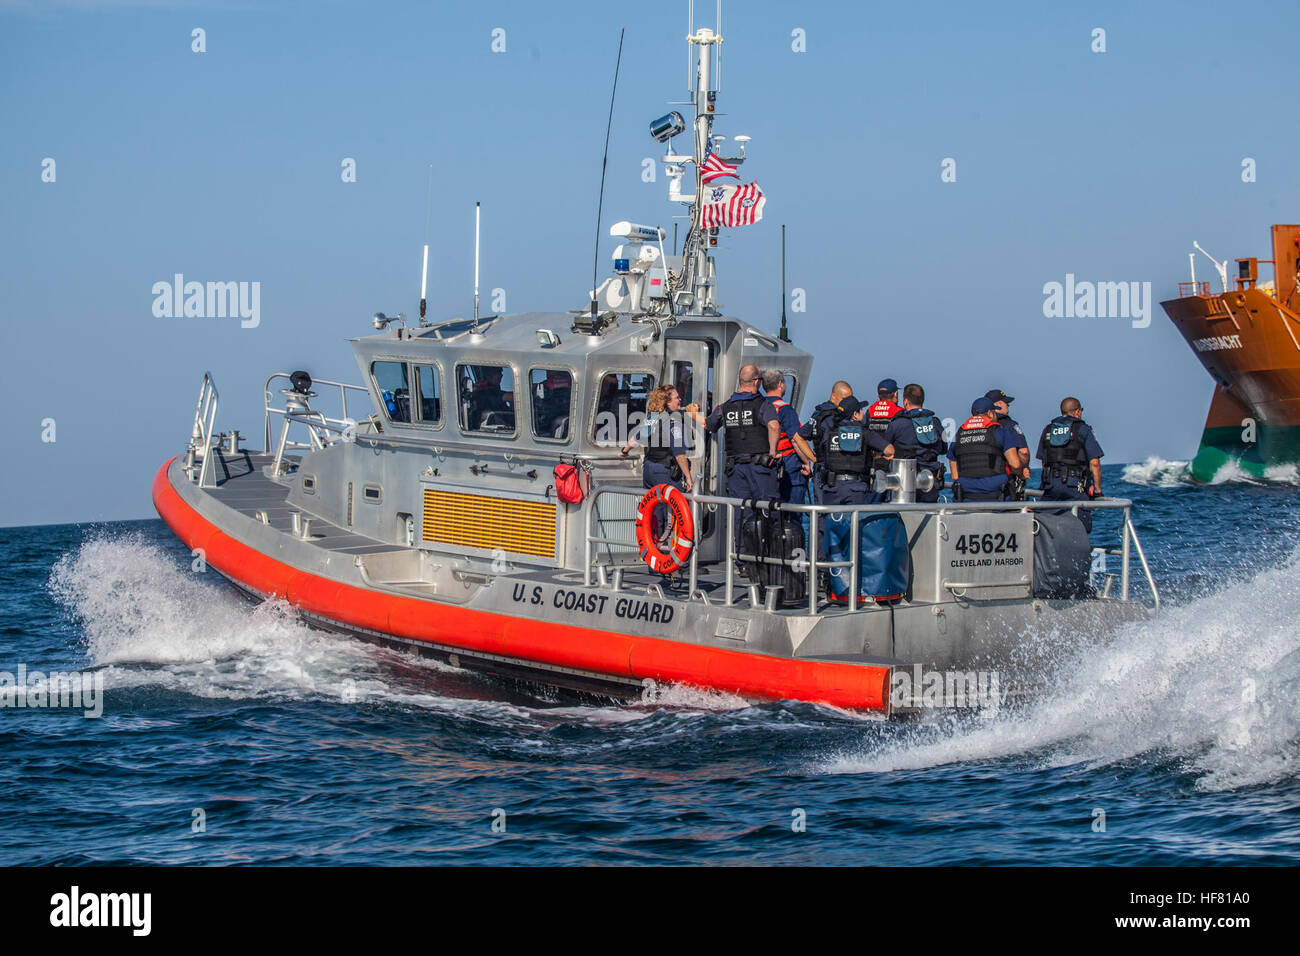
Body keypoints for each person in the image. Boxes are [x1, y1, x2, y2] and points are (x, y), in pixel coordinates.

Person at [701, 365, 781, 546]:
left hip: (736, 469)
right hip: (760, 468)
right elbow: (774, 426)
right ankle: (767, 555)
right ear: (756, 382)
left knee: (742, 512)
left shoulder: (725, 407)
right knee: (768, 510)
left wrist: (691, 414)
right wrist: (773, 452)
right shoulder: (763, 405)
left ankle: (742, 557)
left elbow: (708, 424)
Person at [622, 385, 693, 545]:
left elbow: (636, 438)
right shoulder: (673, 423)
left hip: (649, 469)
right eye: (676, 397)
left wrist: (624, 451)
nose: (680, 399)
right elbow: (679, 454)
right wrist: (688, 477)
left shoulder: (652, 418)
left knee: (653, 512)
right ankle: (679, 562)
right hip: (664, 471)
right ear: (668, 402)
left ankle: (654, 560)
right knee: (674, 513)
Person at [1037, 396, 1105, 533]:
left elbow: (1044, 461)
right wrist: (1097, 490)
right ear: (1077, 412)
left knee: (1046, 525)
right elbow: (1095, 463)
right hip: (1075, 485)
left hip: (1051, 485)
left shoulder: (1048, 429)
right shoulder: (1082, 429)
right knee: (1081, 528)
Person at [883, 383, 946, 503]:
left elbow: (885, 449)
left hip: (903, 484)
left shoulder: (897, 424)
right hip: (930, 481)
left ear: (905, 401)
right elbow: (943, 449)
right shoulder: (935, 423)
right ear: (922, 400)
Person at [761, 370, 815, 507]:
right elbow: (796, 440)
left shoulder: (759, 407)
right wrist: (807, 462)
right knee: (792, 512)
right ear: (780, 384)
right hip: (788, 467)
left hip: (764, 465)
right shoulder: (785, 410)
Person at [948, 397, 1019, 501]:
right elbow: (1015, 464)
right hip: (997, 495)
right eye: (994, 412)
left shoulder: (959, 433)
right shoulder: (999, 431)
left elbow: (954, 473)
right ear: (990, 413)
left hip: (966, 496)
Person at [985, 388, 1029, 498]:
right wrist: (1022, 471)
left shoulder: (977, 427)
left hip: (980, 481)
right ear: (997, 404)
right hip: (1005, 480)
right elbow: (1023, 452)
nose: (1008, 406)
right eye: (1006, 403)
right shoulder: (1009, 425)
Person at [865, 378, 903, 502]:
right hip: (892, 464)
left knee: (871, 502)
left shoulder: (870, 411)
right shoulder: (899, 412)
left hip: (872, 464)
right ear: (896, 394)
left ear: (878, 394)